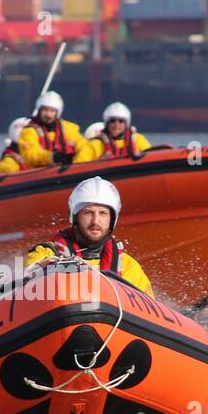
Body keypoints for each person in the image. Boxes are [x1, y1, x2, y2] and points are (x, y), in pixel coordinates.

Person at [23, 176, 154, 298]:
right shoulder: (46, 253)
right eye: (88, 213)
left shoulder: (128, 266)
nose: (95, 221)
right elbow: (27, 281)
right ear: (75, 217)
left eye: (103, 213)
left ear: (112, 219)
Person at [18, 91, 91, 167]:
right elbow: (29, 154)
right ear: (39, 110)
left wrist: (75, 164)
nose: (48, 115)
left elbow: (84, 147)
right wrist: (52, 157)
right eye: (45, 110)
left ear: (57, 113)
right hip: (42, 173)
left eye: (52, 111)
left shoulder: (68, 128)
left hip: (69, 170)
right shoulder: (29, 131)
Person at [79, 102, 151, 161]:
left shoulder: (139, 140)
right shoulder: (95, 144)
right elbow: (77, 167)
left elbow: (150, 157)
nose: (116, 125)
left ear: (126, 124)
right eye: (112, 121)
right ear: (107, 123)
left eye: (121, 121)